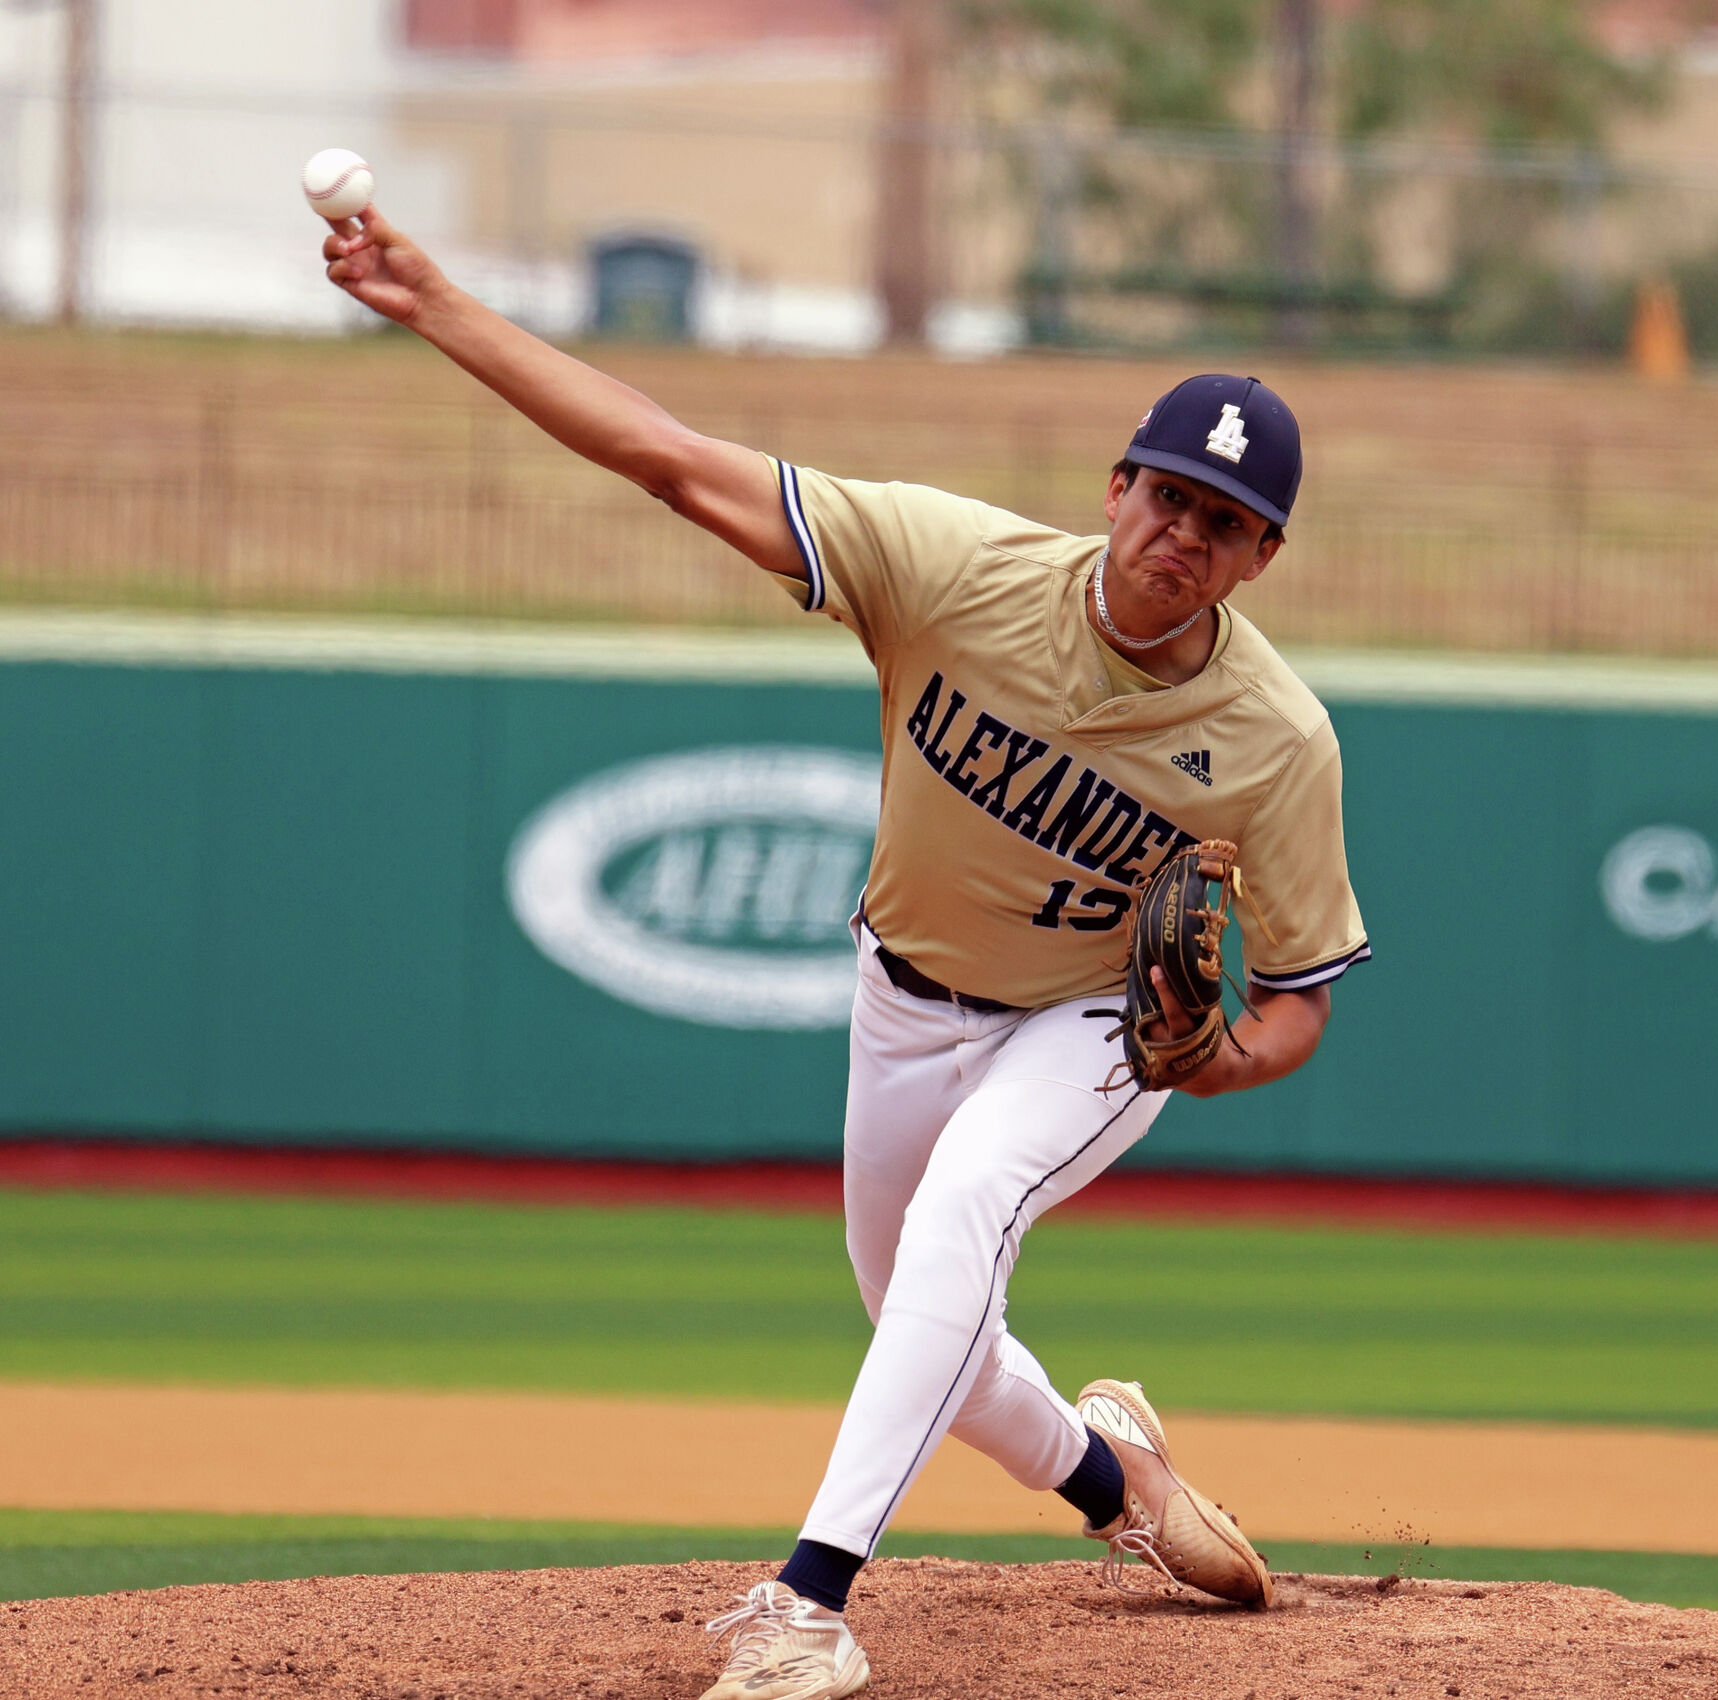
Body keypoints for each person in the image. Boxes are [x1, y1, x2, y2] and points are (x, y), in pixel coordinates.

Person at [322, 206, 1370, 1700]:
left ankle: (809, 1603)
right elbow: (669, 458)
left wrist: (1213, 1061)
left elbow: (1305, 1005)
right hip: (901, 993)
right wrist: (436, 306)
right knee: (923, 1323)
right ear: (1117, 485)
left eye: (1223, 522)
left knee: (966, 1210)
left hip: (1087, 1023)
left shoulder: (1278, 744)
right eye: (1168, 496)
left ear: (1261, 555)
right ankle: (1116, 1481)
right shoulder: (954, 568)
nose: (1180, 537)